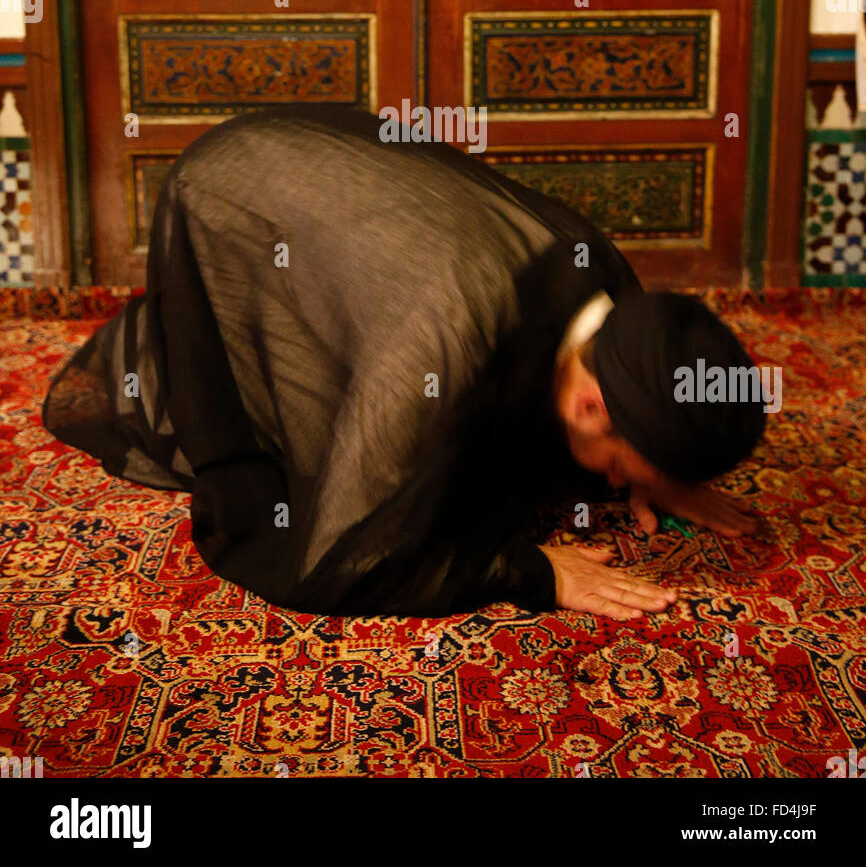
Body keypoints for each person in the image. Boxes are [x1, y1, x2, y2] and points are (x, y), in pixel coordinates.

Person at [41, 104, 766, 619]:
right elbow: (344, 555)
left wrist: (658, 469)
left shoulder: (609, 285)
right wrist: (528, 571)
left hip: (369, 198)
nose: (610, 483)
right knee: (326, 435)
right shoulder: (438, 346)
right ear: (589, 406)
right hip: (236, 193)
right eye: (618, 468)